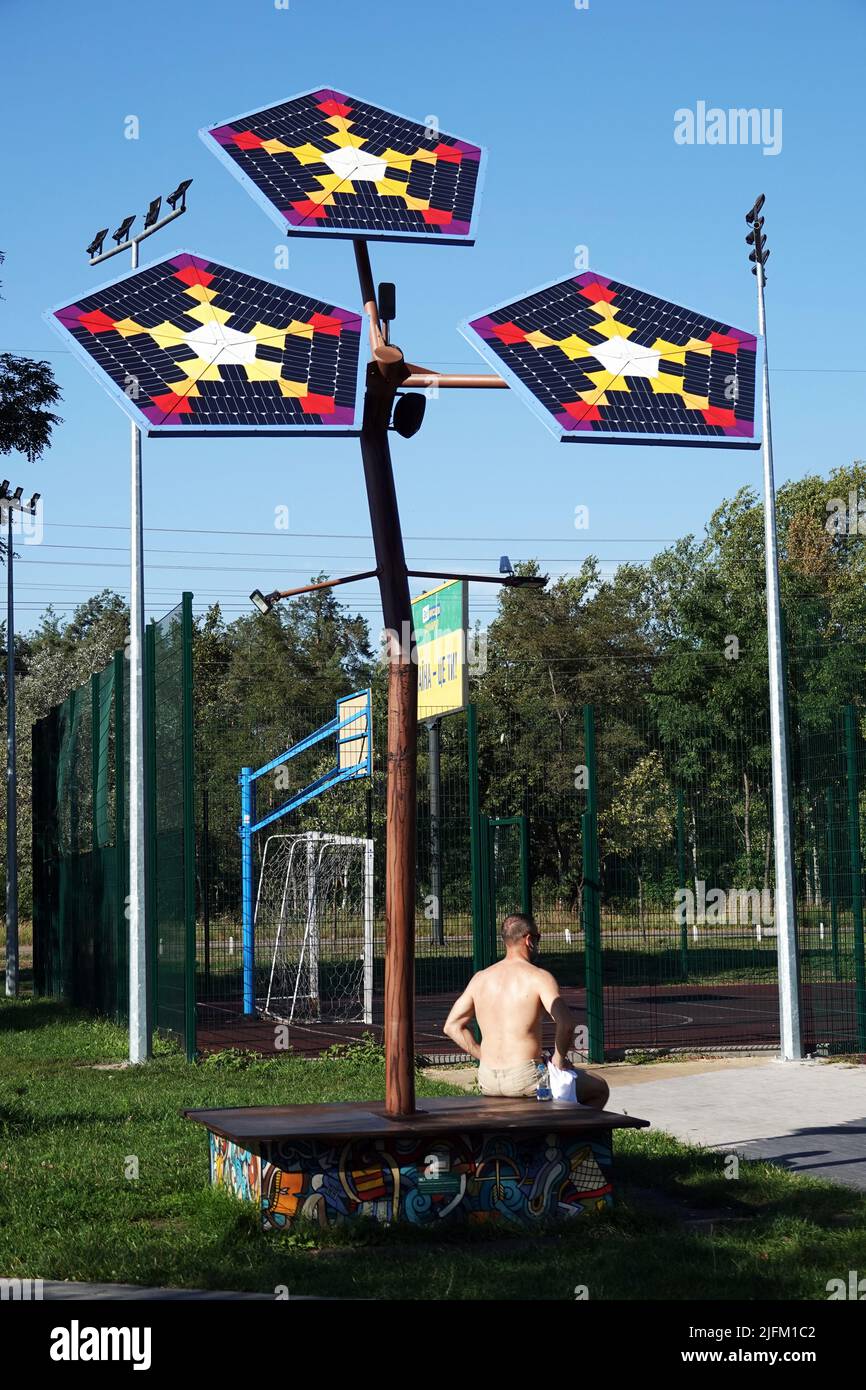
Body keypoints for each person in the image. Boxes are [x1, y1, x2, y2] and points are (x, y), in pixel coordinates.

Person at [442, 912, 609, 1106]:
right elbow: (566, 1023)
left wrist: (483, 1056)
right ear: (529, 940)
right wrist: (559, 1060)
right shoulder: (539, 977)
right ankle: (565, 1136)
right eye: (537, 938)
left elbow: (451, 1026)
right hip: (526, 1078)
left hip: (487, 1078)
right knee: (599, 1088)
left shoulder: (480, 978)